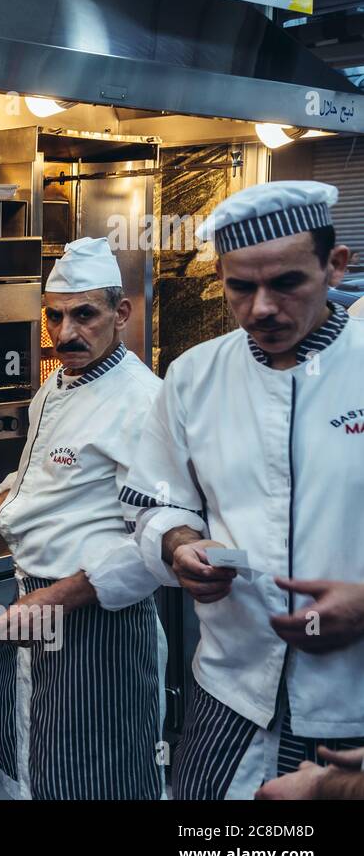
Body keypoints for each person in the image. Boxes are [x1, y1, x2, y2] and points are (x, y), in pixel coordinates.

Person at [110, 181, 364, 799]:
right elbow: (155, 500)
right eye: (240, 287)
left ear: (335, 266)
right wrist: (179, 547)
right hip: (230, 690)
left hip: (353, 702)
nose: (261, 309)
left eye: (286, 284)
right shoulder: (195, 375)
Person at [0, 236, 165, 799]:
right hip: (35, 605)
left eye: (84, 315)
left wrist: (54, 599)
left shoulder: (143, 402)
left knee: (98, 777)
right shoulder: (57, 387)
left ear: (121, 313)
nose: (66, 333)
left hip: (95, 624)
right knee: (37, 772)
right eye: (56, 316)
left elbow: (155, 542)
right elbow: (42, 478)